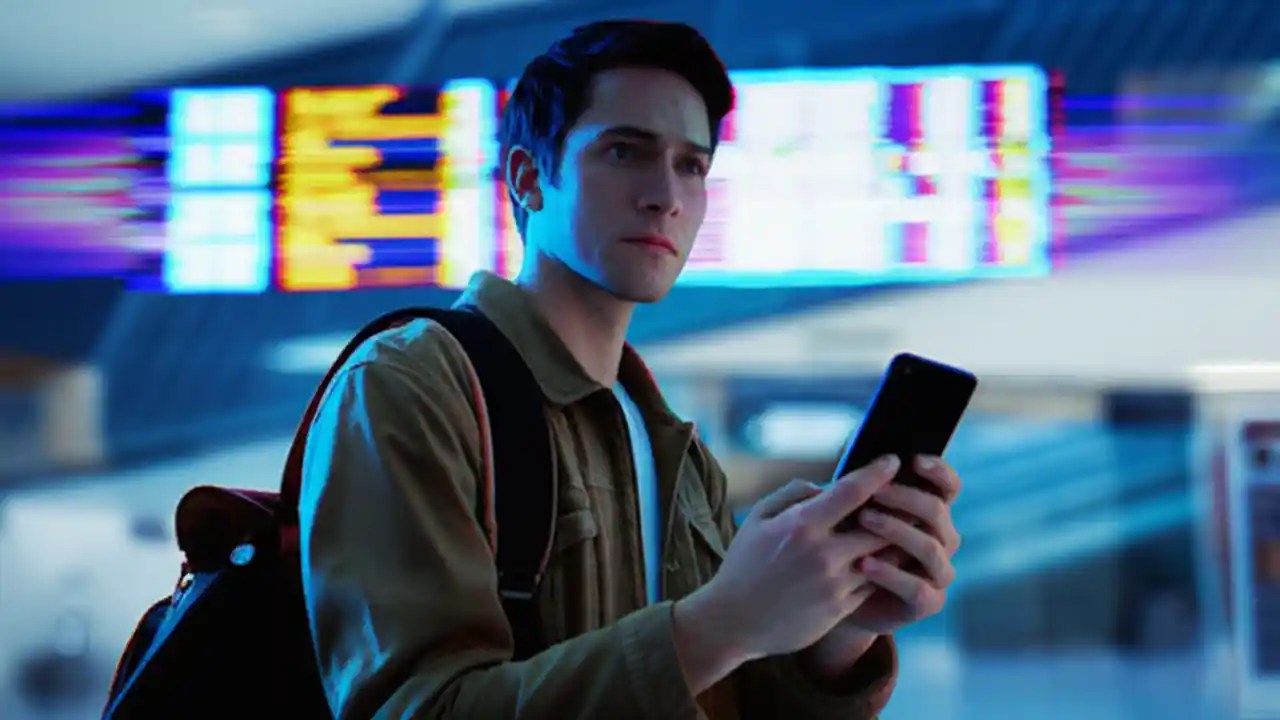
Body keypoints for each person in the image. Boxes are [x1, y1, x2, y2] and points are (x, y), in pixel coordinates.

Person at [299, 19, 964, 720]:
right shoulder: (413, 385)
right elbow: (416, 710)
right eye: (624, 151)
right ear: (528, 178)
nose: (666, 196)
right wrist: (723, 621)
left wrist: (842, 629)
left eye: (692, 166)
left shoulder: (673, 448)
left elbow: (722, 699)